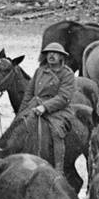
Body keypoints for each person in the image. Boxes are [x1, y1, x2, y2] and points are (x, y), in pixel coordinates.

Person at [19, 41, 79, 174]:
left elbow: (64, 97)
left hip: (58, 111)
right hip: (35, 106)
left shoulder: (67, 74)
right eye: (49, 53)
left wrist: (45, 107)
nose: (51, 55)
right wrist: (21, 112)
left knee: (57, 132)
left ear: (61, 57)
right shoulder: (39, 71)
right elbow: (29, 93)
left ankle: (58, 170)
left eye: (55, 53)